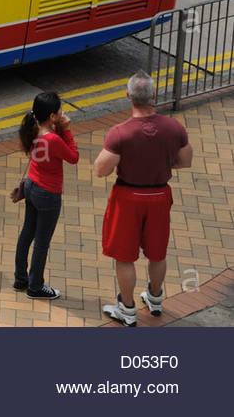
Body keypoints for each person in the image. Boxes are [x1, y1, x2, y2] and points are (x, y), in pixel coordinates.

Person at [94, 73, 193, 327]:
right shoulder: (175, 128)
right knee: (157, 252)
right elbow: (185, 161)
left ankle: (127, 310)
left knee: (124, 256)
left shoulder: (119, 133)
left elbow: (101, 170)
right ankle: (155, 298)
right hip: (160, 196)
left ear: (128, 96)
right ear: (154, 95)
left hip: (128, 198)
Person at [12, 92, 78, 300]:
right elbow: (73, 157)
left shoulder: (33, 130)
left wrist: (59, 128)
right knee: (42, 242)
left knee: (27, 233)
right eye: (60, 110)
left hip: (31, 186)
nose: (62, 112)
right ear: (52, 116)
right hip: (48, 194)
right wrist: (67, 130)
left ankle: (20, 279)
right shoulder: (54, 139)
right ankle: (35, 287)